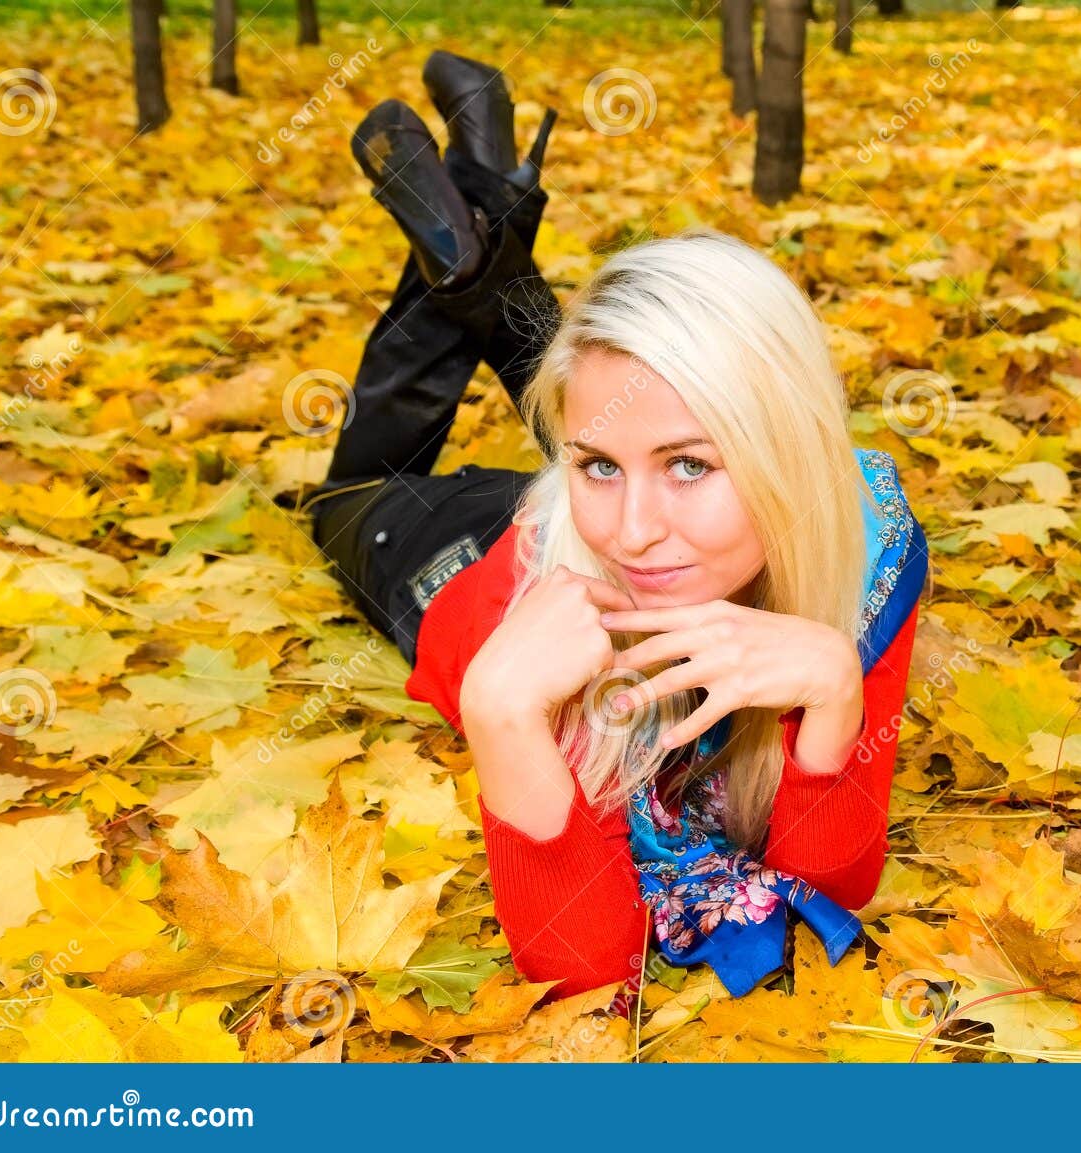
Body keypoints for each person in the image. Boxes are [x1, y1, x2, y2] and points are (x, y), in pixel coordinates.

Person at [296, 52, 930, 1017]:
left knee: (608, 408)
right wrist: (504, 710)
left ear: (794, 452)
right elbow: (585, 969)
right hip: (456, 558)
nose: (633, 535)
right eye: (596, 464)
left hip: (559, 496)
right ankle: (477, 255)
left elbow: (833, 889)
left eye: (691, 464)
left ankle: (479, 247)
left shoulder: (867, 543)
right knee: (347, 493)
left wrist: (837, 690)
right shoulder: (547, 597)